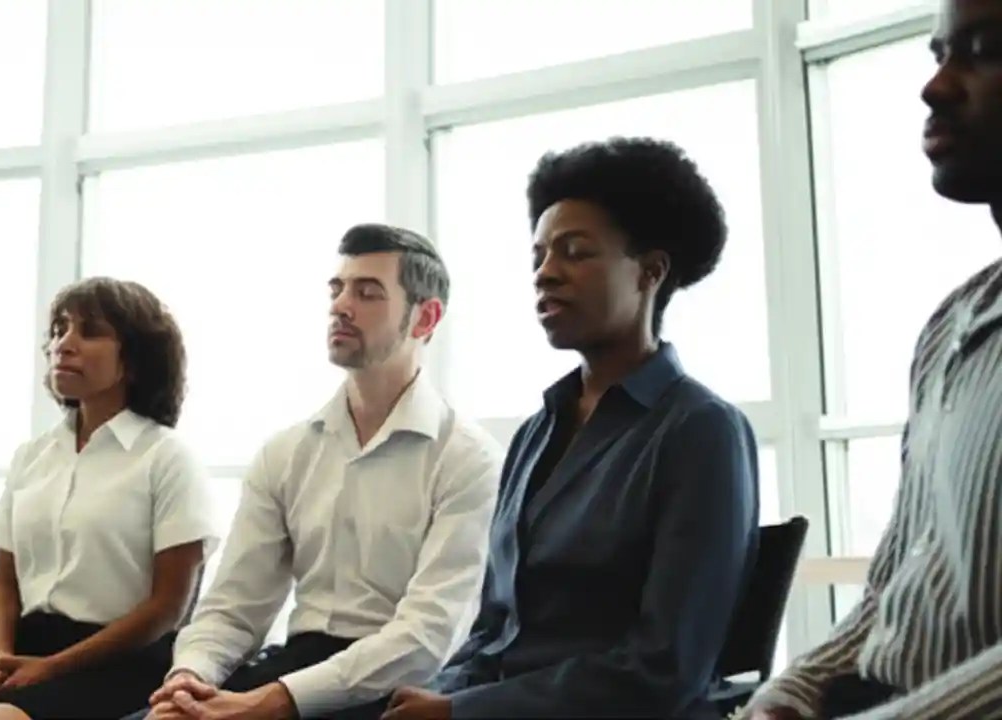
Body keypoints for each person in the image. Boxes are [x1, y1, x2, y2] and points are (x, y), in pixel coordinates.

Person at [384, 137, 760, 719]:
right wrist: (437, 695)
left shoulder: (700, 431)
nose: (545, 274)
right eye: (537, 257)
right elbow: (495, 633)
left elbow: (664, 669)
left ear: (650, 273)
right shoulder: (538, 432)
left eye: (575, 253)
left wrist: (463, 714)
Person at [743, 1, 1002, 718]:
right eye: (939, 54)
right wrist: (790, 689)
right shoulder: (953, 323)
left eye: (982, 52)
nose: (936, 87)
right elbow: (896, 580)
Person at [133, 224, 503, 720]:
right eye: (337, 289)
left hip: (393, 692)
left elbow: (425, 637)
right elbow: (234, 608)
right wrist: (189, 680)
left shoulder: (469, 458)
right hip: (291, 668)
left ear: (425, 317)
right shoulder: (286, 452)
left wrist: (274, 702)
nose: (341, 306)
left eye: (367, 293)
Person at [0, 277, 216, 720]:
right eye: (60, 329)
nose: (64, 343)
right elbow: (4, 584)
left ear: (135, 361)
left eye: (90, 331)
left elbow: (168, 608)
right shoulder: (33, 456)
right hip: (28, 648)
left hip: (122, 661)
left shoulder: (167, 458)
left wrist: (52, 668)